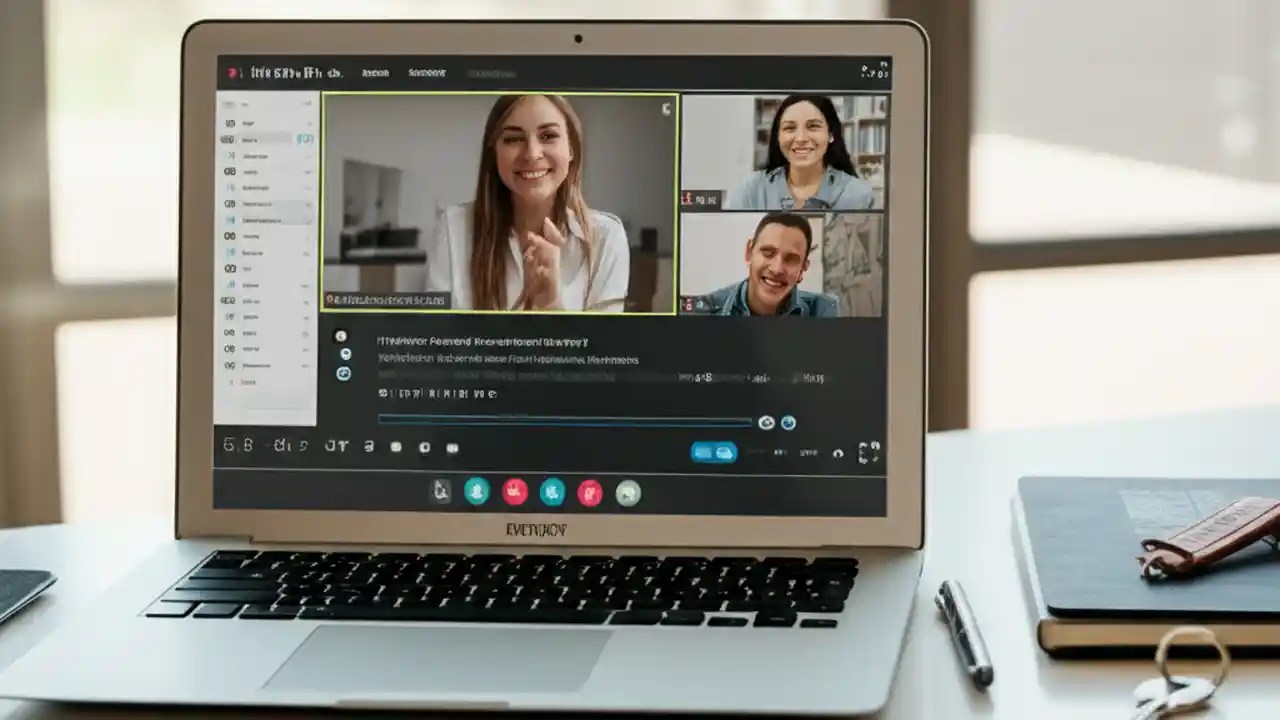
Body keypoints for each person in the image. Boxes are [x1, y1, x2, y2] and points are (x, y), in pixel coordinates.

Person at [426, 94, 630, 312]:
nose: (532, 154)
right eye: (513, 139)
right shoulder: (453, 228)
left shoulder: (606, 237)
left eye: (548, 136)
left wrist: (551, 307)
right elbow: (437, 333)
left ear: (571, 149)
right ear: (494, 151)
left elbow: (604, 336)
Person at [725, 94, 875, 211]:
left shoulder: (858, 195)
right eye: (789, 128)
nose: (801, 138)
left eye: (813, 126)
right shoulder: (751, 190)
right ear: (778, 136)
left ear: (831, 134)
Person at [696, 212, 840, 317]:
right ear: (749, 252)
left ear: (803, 268)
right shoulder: (705, 310)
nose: (777, 269)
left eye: (791, 259)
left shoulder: (823, 310)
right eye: (768, 253)